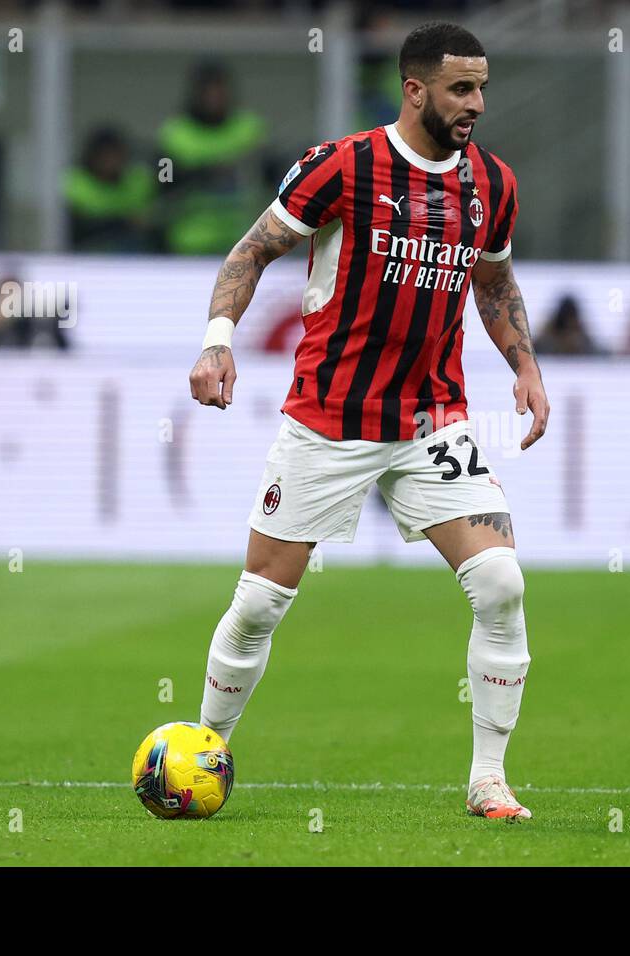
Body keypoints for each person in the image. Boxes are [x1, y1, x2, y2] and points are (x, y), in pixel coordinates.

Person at [187, 22, 548, 821]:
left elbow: (493, 283)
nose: (476, 104)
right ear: (414, 90)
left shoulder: (492, 183)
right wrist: (218, 341)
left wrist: (524, 366)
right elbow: (251, 252)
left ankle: (488, 780)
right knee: (259, 604)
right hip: (329, 419)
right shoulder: (343, 166)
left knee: (501, 582)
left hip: (431, 420)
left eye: (482, 88)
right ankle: (204, 751)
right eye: (461, 88)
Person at [158, 61, 270, 255]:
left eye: (219, 89)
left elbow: (270, 178)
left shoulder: (250, 129)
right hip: (190, 243)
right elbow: (163, 185)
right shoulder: (174, 134)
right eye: (207, 90)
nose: (214, 96)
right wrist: (203, 173)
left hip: (244, 241)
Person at [63, 127, 157, 252]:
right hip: (89, 249)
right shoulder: (76, 183)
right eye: (105, 156)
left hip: (134, 248)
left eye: (116, 156)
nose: (111, 162)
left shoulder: (139, 179)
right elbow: (82, 226)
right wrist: (123, 222)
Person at [535, 294, 607, 356]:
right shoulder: (544, 344)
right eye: (564, 333)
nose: (569, 339)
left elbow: (601, 354)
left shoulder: (585, 343)